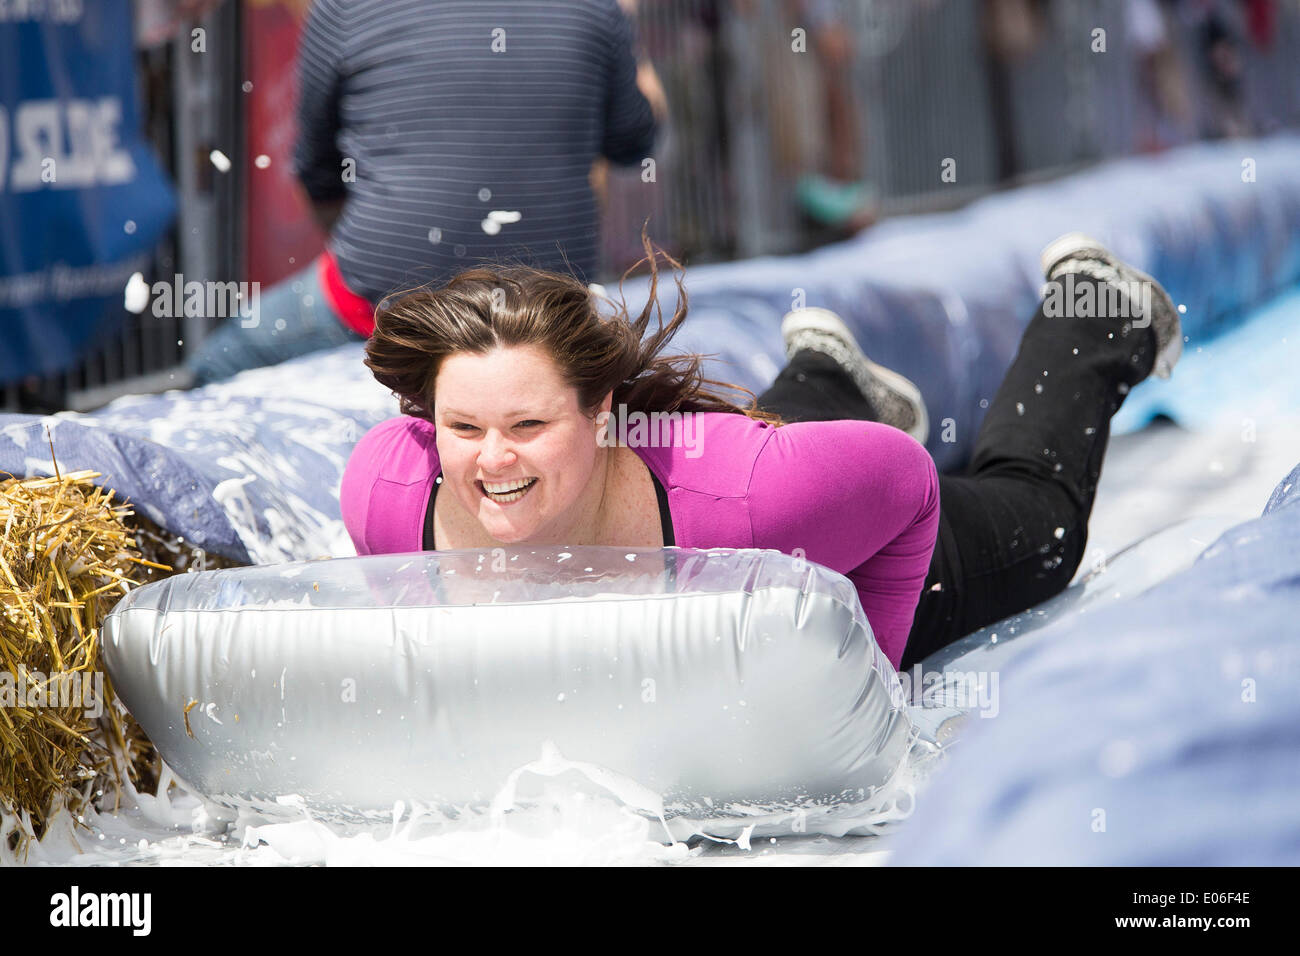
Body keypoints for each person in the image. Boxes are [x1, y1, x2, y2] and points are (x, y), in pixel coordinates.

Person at [340, 233, 1181, 671]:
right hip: (765, 478)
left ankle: (1094, 312)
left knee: (1043, 522)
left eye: (528, 427)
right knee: (772, 455)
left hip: (873, 561)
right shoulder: (386, 493)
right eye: (463, 428)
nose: (493, 462)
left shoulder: (750, 501)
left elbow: (906, 480)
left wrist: (868, 688)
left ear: (602, 413)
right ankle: (824, 375)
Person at [187, 0, 663, 385]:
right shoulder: (595, 9)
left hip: (382, 309)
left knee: (218, 363)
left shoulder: (345, 9)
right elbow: (634, 142)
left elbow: (316, 170)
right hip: (543, 312)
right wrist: (633, 47)